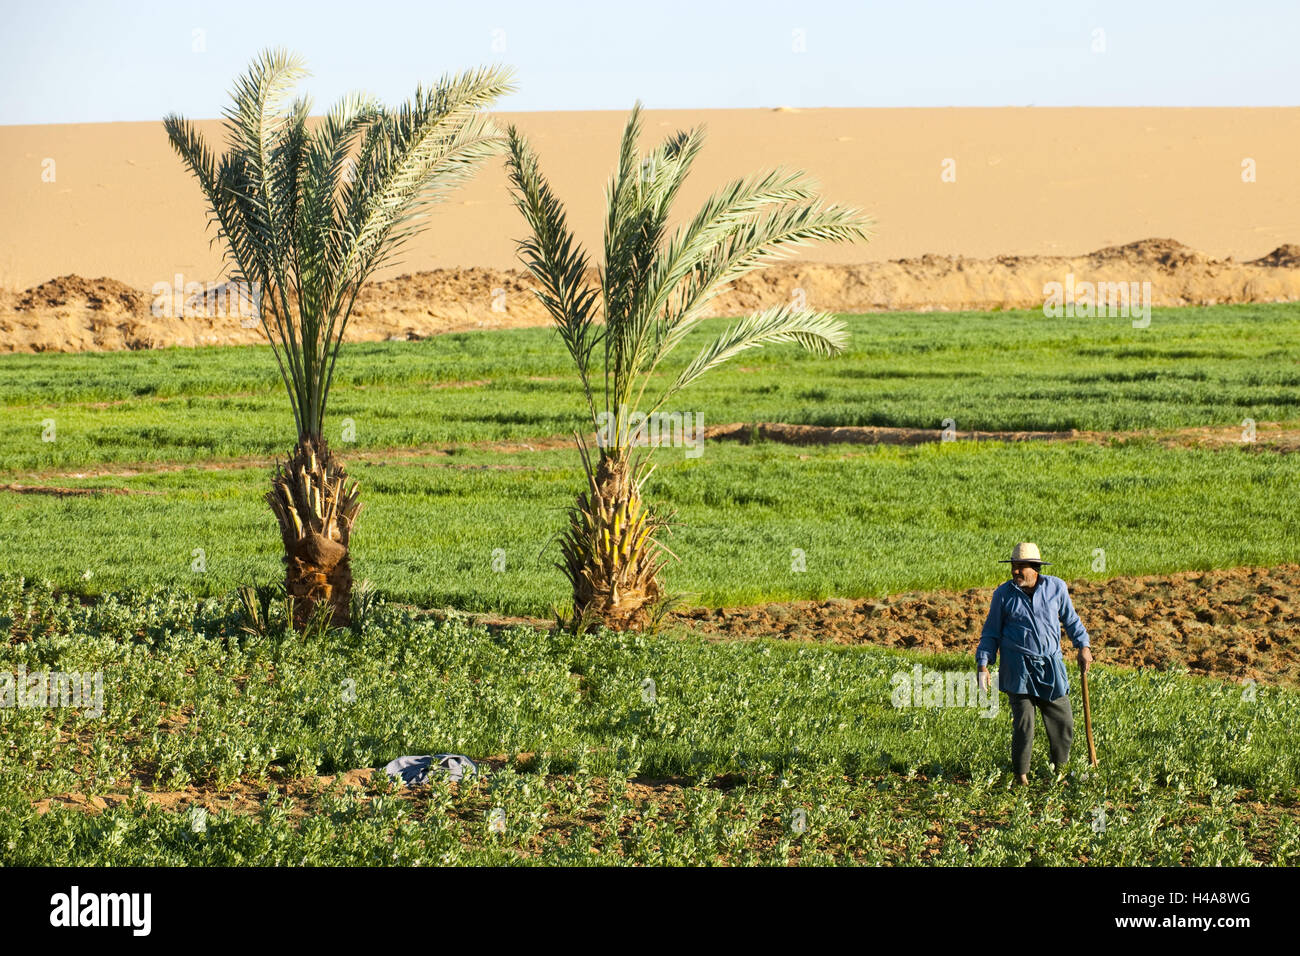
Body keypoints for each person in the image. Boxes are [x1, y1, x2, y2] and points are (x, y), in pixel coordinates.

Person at [976, 542, 1093, 785]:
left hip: (1051, 667)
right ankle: (1021, 776)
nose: (1015, 572)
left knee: (1063, 720)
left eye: (1021, 567)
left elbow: (1071, 621)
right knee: (1024, 725)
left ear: (1036, 568)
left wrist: (1083, 646)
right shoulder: (1003, 594)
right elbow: (991, 632)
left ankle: (1059, 771)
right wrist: (983, 664)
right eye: (1013, 567)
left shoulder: (1055, 588)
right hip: (1018, 668)